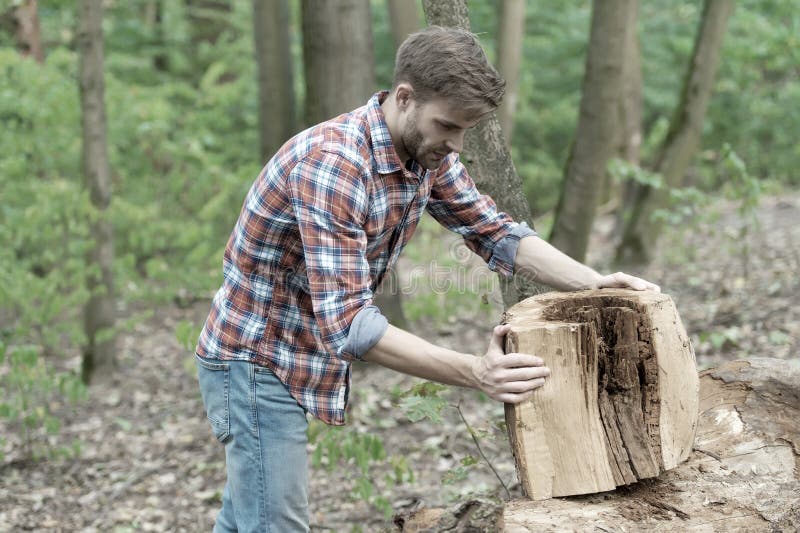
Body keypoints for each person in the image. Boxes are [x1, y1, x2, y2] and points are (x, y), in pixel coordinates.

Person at [194, 26, 659, 532]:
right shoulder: (334, 166)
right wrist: (474, 372)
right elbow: (349, 325)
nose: (456, 144)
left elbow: (496, 232)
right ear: (404, 97)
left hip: (294, 352)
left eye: (466, 130)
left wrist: (596, 284)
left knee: (245, 519)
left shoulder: (425, 154)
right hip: (256, 360)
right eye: (447, 125)